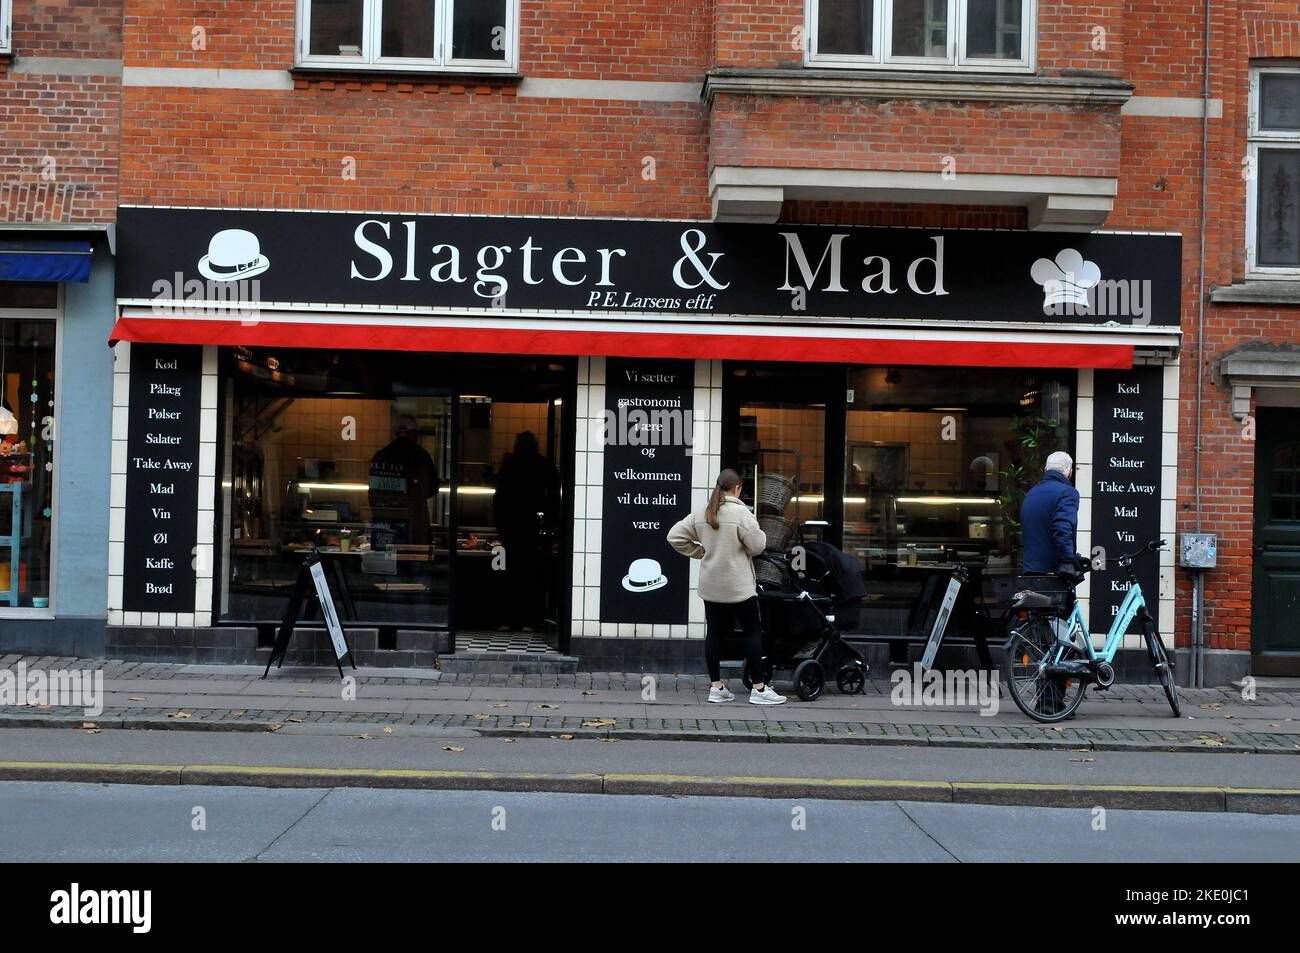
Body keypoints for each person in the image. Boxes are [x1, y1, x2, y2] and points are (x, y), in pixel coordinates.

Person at [667, 469, 785, 705]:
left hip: (712, 586)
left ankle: (716, 687)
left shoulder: (702, 512)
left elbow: (674, 536)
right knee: (752, 634)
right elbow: (758, 545)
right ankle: (759, 690)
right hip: (738, 586)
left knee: (715, 634)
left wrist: (702, 552)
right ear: (738, 488)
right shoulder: (742, 514)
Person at [493, 431, 561, 632]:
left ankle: (508, 619)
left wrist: (500, 526)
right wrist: (550, 524)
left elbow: (499, 499)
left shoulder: (510, 465)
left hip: (512, 529)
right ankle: (531, 620)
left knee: (510, 576)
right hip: (535, 531)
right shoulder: (545, 466)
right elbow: (554, 499)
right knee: (533, 577)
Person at [368, 415, 439, 549]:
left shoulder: (381, 455)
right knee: (415, 561)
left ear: (396, 433)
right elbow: (433, 488)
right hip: (415, 522)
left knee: (388, 563)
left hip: (386, 523)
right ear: (413, 433)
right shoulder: (421, 455)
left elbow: (374, 490)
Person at [1020, 450, 1085, 581]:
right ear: (1070, 473)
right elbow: (1063, 527)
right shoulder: (1067, 493)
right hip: (1054, 575)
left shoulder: (1031, 493)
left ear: (1045, 470)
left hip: (1031, 571)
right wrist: (1068, 559)